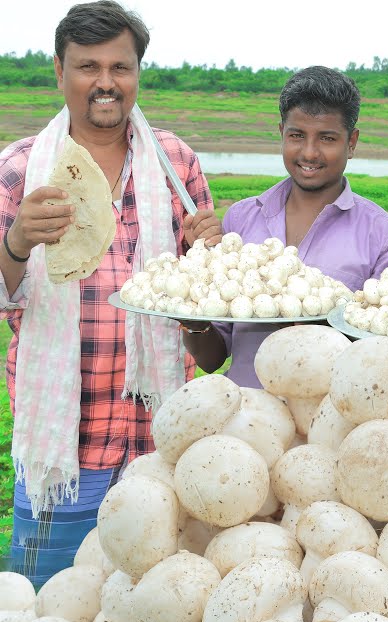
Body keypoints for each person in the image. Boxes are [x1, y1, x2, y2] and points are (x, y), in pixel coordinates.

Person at [0, 1, 222, 584]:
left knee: (149, 611)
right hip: (62, 458)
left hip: (157, 451)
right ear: (59, 71)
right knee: (41, 610)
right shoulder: (22, 169)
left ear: (137, 73)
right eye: (87, 66)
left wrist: (206, 263)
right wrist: (18, 240)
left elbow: (202, 319)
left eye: (120, 67)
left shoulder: (175, 164)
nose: (105, 83)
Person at [182, 66, 388, 388]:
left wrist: (308, 319)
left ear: (352, 142)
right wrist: (191, 309)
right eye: (297, 136)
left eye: (327, 138)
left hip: (332, 422)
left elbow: (383, 358)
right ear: (281, 132)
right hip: (246, 419)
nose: (309, 153)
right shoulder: (240, 220)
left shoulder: (387, 238)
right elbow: (212, 359)